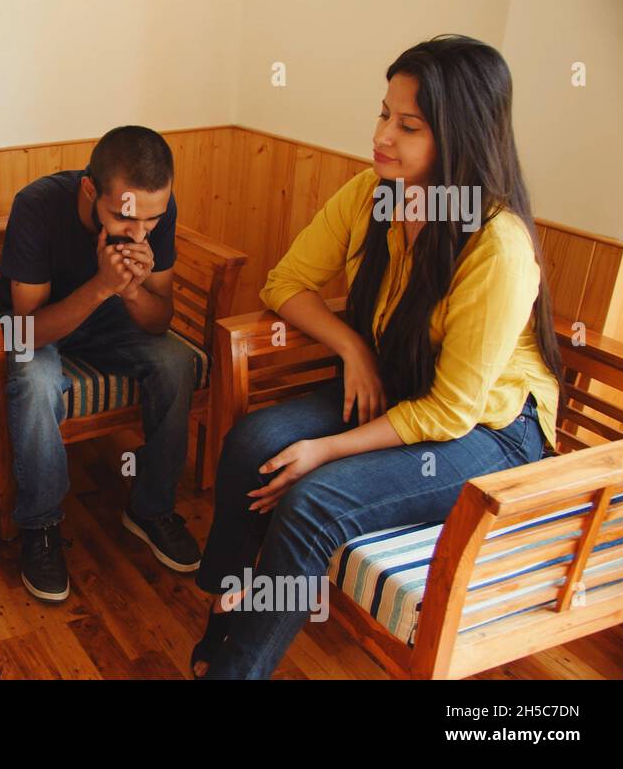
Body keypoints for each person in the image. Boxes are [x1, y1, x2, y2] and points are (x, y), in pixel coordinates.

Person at [191, 35, 562, 679]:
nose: (382, 136)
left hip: (492, 432)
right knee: (255, 440)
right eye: (383, 113)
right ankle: (224, 613)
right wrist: (352, 345)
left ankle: (235, 671)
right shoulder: (373, 194)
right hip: (403, 391)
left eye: (407, 125)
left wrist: (327, 449)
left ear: (461, 137)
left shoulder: (496, 246)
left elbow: (450, 412)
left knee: (312, 499)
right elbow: (284, 282)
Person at [0, 125, 204, 603]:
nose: (138, 232)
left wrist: (130, 289)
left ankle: (151, 509)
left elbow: (159, 321)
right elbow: (26, 332)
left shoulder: (153, 210)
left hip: (110, 315)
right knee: (33, 378)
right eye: (124, 217)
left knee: (176, 360)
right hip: (41, 322)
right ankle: (41, 525)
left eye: (150, 221)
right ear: (90, 190)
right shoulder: (38, 206)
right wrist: (102, 287)